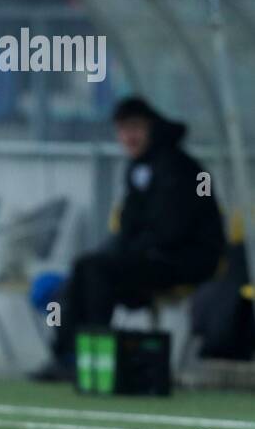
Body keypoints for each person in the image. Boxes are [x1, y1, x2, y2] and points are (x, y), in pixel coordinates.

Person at [30, 97, 226, 382]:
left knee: (98, 270)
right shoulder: (138, 167)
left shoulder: (181, 168)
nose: (128, 137)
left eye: (135, 128)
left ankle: (93, 356)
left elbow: (171, 230)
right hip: (153, 256)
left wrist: (130, 250)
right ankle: (67, 355)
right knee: (86, 266)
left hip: (187, 260)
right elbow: (130, 225)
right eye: (122, 130)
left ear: (152, 128)